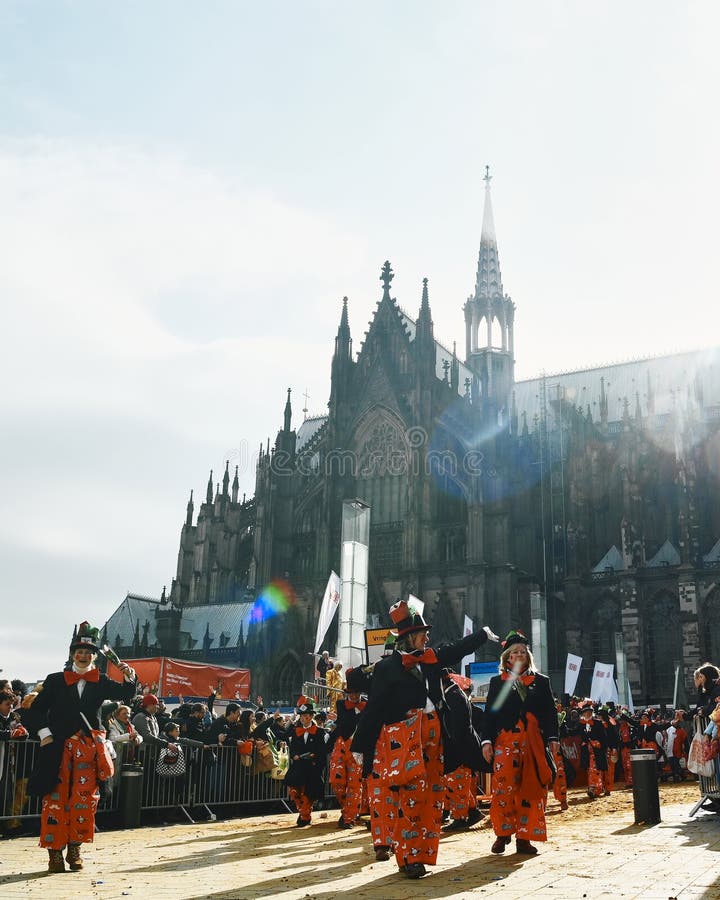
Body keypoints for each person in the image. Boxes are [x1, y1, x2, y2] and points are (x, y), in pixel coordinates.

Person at [351, 599, 498, 879]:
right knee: (409, 798)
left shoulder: (431, 658)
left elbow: (456, 649)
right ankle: (407, 857)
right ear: (408, 638)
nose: (427, 637)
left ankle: (420, 854)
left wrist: (481, 635)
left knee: (431, 799)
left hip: (433, 739)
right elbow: (375, 709)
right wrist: (362, 745)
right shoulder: (386, 669)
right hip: (403, 739)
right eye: (422, 634)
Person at [26, 621, 136, 873]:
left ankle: (75, 849)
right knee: (55, 799)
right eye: (79, 652)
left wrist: (129, 673)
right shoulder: (55, 680)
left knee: (84, 801)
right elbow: (34, 712)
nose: (83, 656)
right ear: (72, 655)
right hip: (58, 748)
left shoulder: (101, 680)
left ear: (94, 656)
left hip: (88, 749)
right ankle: (54, 853)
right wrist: (45, 734)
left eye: (88, 652)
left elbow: (128, 693)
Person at [482, 630, 559, 856]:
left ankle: (524, 838)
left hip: (532, 742)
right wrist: (486, 740)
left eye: (523, 653)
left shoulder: (541, 682)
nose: (519, 655)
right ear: (507, 658)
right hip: (505, 742)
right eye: (515, 652)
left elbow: (550, 713)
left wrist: (553, 738)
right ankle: (503, 833)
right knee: (503, 789)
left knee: (532, 789)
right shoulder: (497, 682)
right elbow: (489, 714)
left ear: (528, 657)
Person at [328, 666, 368, 829]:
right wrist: (361, 714)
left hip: (359, 749)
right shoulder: (341, 704)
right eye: (351, 692)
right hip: (342, 745)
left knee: (355, 785)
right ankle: (347, 810)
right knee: (336, 780)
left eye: (356, 692)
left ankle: (348, 817)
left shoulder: (368, 705)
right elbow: (346, 722)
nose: (353, 695)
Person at [285, 696, 330, 826]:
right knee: (293, 790)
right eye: (303, 716)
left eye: (308, 716)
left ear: (312, 717)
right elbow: (290, 745)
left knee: (308, 794)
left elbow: (323, 751)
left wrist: (314, 757)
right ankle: (303, 812)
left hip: (313, 767)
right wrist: (294, 755)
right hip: (298, 766)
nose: (306, 718)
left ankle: (305, 816)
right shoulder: (294, 731)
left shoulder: (320, 733)